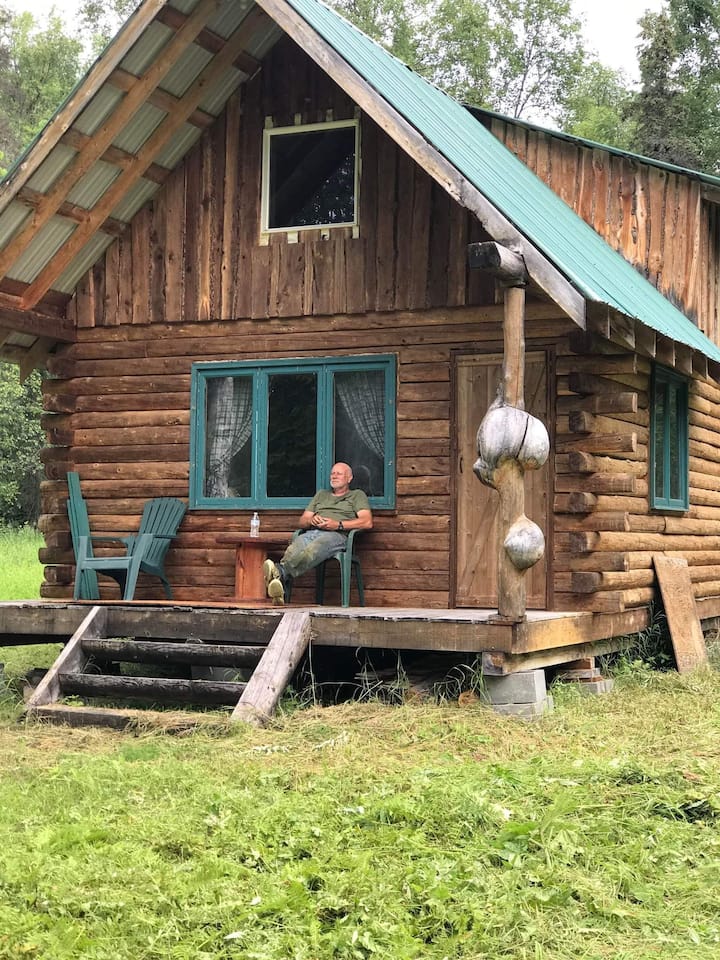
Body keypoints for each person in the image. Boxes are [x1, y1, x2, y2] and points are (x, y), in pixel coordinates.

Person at [263, 462, 373, 604]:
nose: (334, 476)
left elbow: (367, 522)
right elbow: (302, 521)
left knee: (312, 550)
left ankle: (280, 573)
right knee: (295, 547)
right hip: (313, 532)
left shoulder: (357, 495)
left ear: (349, 478)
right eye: (332, 473)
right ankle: (280, 577)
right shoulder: (321, 495)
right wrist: (311, 520)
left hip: (337, 535)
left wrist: (338, 525)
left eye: (339, 473)